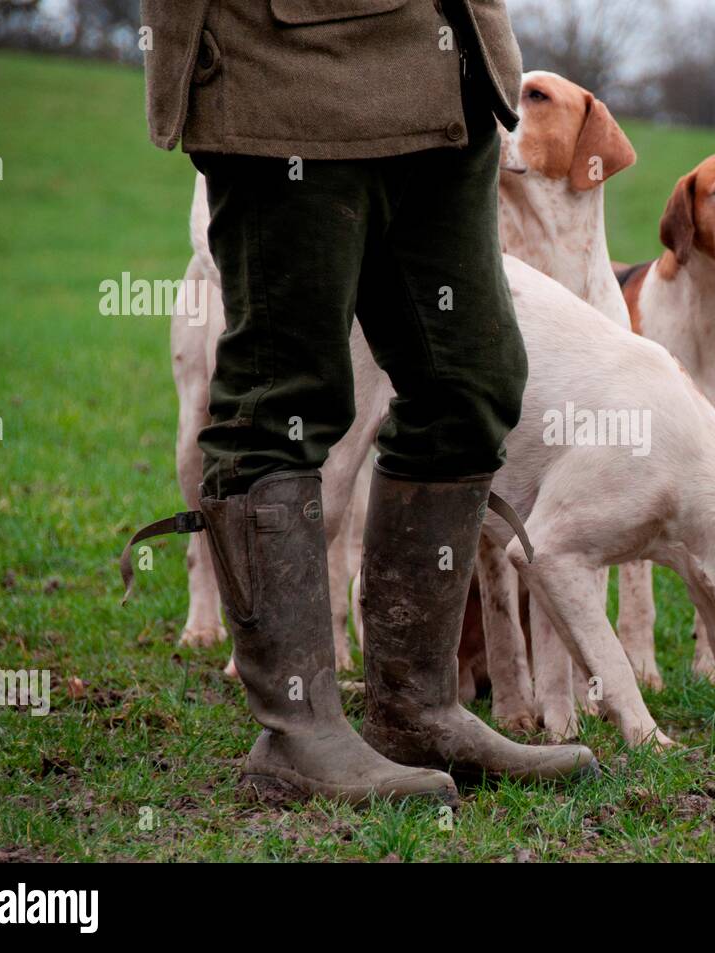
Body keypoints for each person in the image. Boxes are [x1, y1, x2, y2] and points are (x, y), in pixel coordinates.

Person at [130, 0, 595, 805]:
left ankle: (416, 707)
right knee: (284, 396)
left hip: (447, 75)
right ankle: (298, 732)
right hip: (289, 71)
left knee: (470, 380)